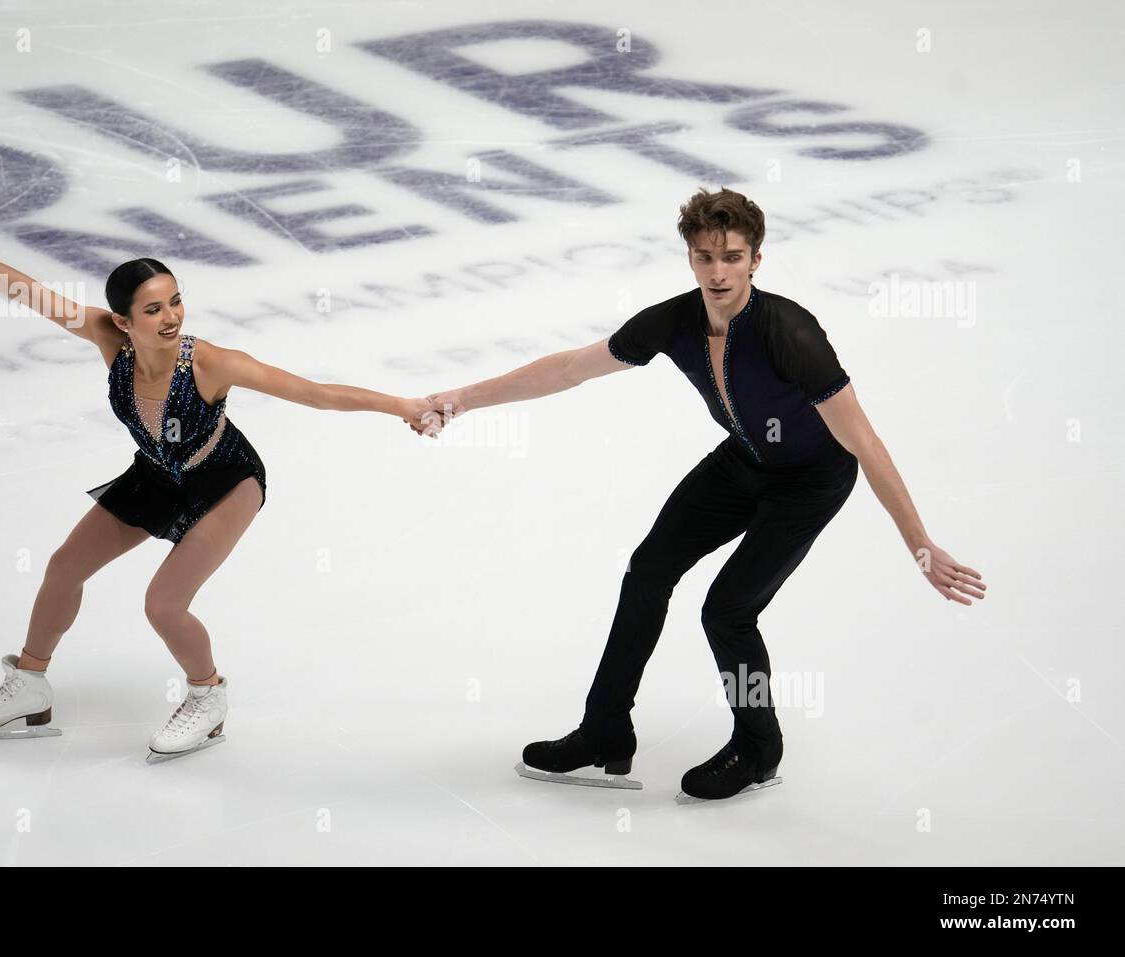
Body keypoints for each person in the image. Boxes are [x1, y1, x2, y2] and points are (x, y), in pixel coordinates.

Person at [412, 187, 986, 800]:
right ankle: (605, 730)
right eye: (705, 256)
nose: (718, 272)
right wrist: (460, 400)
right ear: (689, 258)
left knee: (728, 610)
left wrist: (919, 544)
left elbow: (865, 444)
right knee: (647, 571)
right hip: (741, 463)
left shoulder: (790, 332)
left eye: (733, 257)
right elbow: (570, 368)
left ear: (755, 261)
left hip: (810, 482)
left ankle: (758, 747)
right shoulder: (673, 321)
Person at [0, 245, 438, 761]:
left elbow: (316, 394)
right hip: (156, 474)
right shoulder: (107, 339)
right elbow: (26, 291)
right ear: (123, 321)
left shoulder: (211, 363)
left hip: (225, 480)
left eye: (175, 302)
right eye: (152, 310)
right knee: (63, 568)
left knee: (163, 604)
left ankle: (207, 695)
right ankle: (29, 682)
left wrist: (403, 405)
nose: (171, 317)